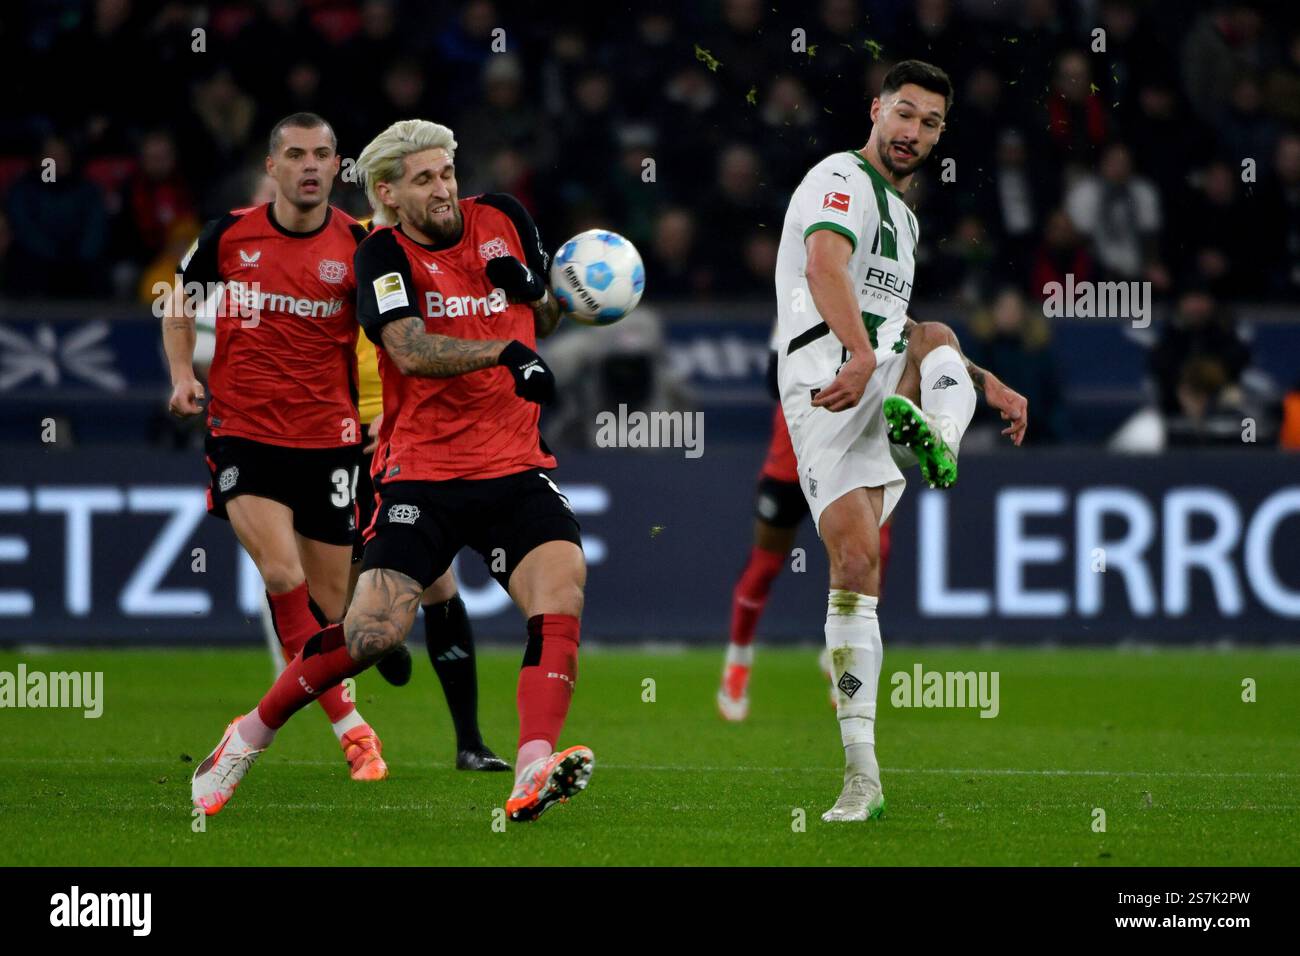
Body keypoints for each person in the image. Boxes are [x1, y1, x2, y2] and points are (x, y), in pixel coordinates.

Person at [191, 119, 593, 823]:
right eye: (424, 179)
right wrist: (504, 350)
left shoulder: (503, 217)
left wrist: (549, 295)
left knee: (561, 591)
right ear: (387, 193)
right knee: (370, 635)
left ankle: (532, 767)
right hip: (423, 473)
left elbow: (545, 318)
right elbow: (407, 348)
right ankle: (247, 734)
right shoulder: (380, 251)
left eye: (447, 172)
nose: (444, 189)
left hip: (515, 463)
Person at [773, 61, 1028, 822]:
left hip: (876, 368)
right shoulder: (840, 178)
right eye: (905, 115)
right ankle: (861, 775)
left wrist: (987, 381)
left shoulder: (906, 219)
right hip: (826, 381)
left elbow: (901, 329)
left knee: (940, 336)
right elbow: (824, 267)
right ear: (877, 109)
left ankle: (938, 438)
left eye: (931, 124)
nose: (914, 132)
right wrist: (855, 355)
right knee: (855, 560)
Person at [164, 112, 389, 783]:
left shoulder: (360, 244)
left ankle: (295, 718)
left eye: (322, 154)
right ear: (273, 167)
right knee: (282, 575)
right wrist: (182, 376)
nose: (310, 166)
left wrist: (391, 414)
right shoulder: (229, 235)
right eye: (296, 154)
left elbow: (391, 338)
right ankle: (350, 728)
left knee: (338, 622)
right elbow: (181, 303)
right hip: (244, 434)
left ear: (338, 165)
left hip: (329, 442)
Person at [716, 345, 893, 721]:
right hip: (789, 466)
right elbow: (771, 380)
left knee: (868, 558)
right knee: (764, 566)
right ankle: (738, 662)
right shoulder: (800, 306)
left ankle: (843, 661)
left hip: (849, 463)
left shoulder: (879, 316)